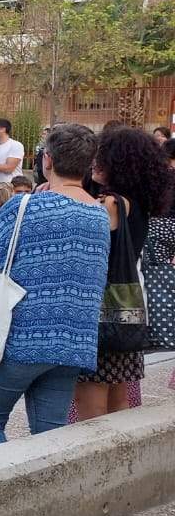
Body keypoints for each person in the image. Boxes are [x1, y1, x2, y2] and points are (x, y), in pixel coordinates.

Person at [0, 124, 109, 446]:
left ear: (47, 160)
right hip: (74, 340)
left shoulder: (24, 206)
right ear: (88, 164)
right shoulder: (99, 213)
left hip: (20, 336)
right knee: (51, 432)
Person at [76, 125, 172, 419]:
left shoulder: (111, 205)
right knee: (119, 402)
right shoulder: (140, 203)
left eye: (101, 155)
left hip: (100, 310)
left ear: (118, 163)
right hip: (127, 309)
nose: (94, 161)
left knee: (90, 412)